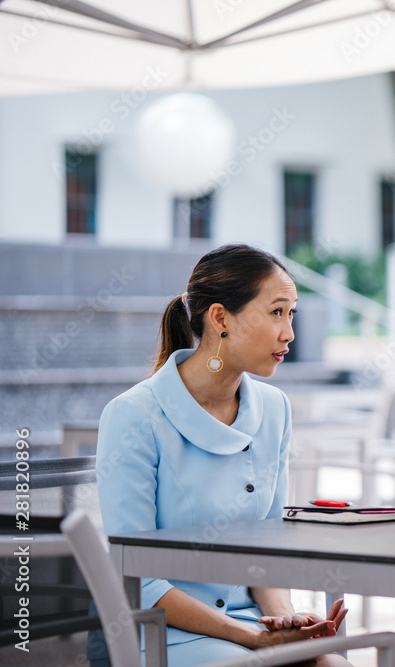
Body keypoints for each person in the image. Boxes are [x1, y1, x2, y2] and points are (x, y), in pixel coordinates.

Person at [94, 244, 352, 667]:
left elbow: (268, 546)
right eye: (276, 312)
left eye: (292, 314)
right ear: (220, 318)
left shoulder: (274, 409)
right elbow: (136, 576)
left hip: (252, 623)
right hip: (165, 634)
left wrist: (283, 622)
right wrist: (253, 638)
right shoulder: (134, 416)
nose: (289, 333)